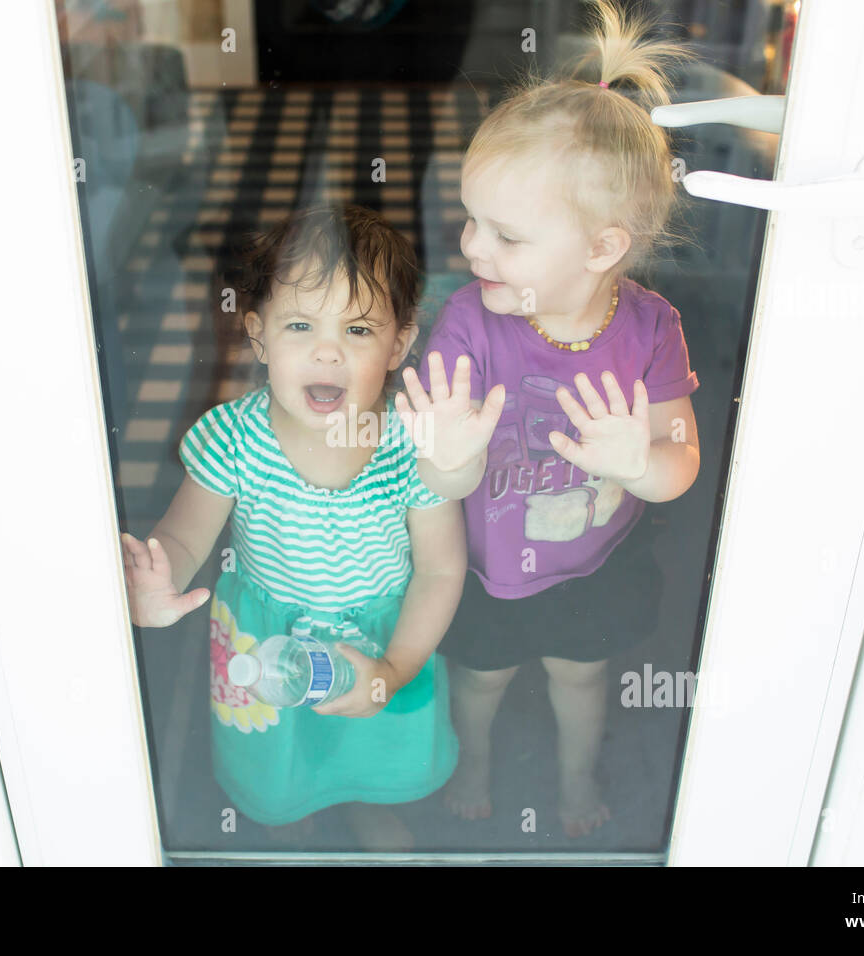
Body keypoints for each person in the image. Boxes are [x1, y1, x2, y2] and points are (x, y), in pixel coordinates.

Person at [396, 0, 701, 837]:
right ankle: (479, 767)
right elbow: (440, 483)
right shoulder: (468, 321)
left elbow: (680, 466)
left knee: (580, 677)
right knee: (482, 680)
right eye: (470, 220)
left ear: (601, 248)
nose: (471, 248)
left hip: (596, 563)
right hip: (485, 567)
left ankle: (572, 782)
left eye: (506, 235)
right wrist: (447, 458)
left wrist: (639, 460)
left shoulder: (650, 330)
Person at [121, 204, 463, 848]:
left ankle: (361, 803)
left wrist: (393, 666)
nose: (327, 351)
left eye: (359, 330)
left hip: (385, 635)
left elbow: (442, 569)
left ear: (399, 343)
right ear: (258, 338)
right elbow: (186, 536)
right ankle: (293, 814)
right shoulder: (233, 438)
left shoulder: (415, 446)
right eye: (300, 325)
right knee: (279, 766)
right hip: (267, 641)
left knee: (367, 731)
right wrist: (155, 580)